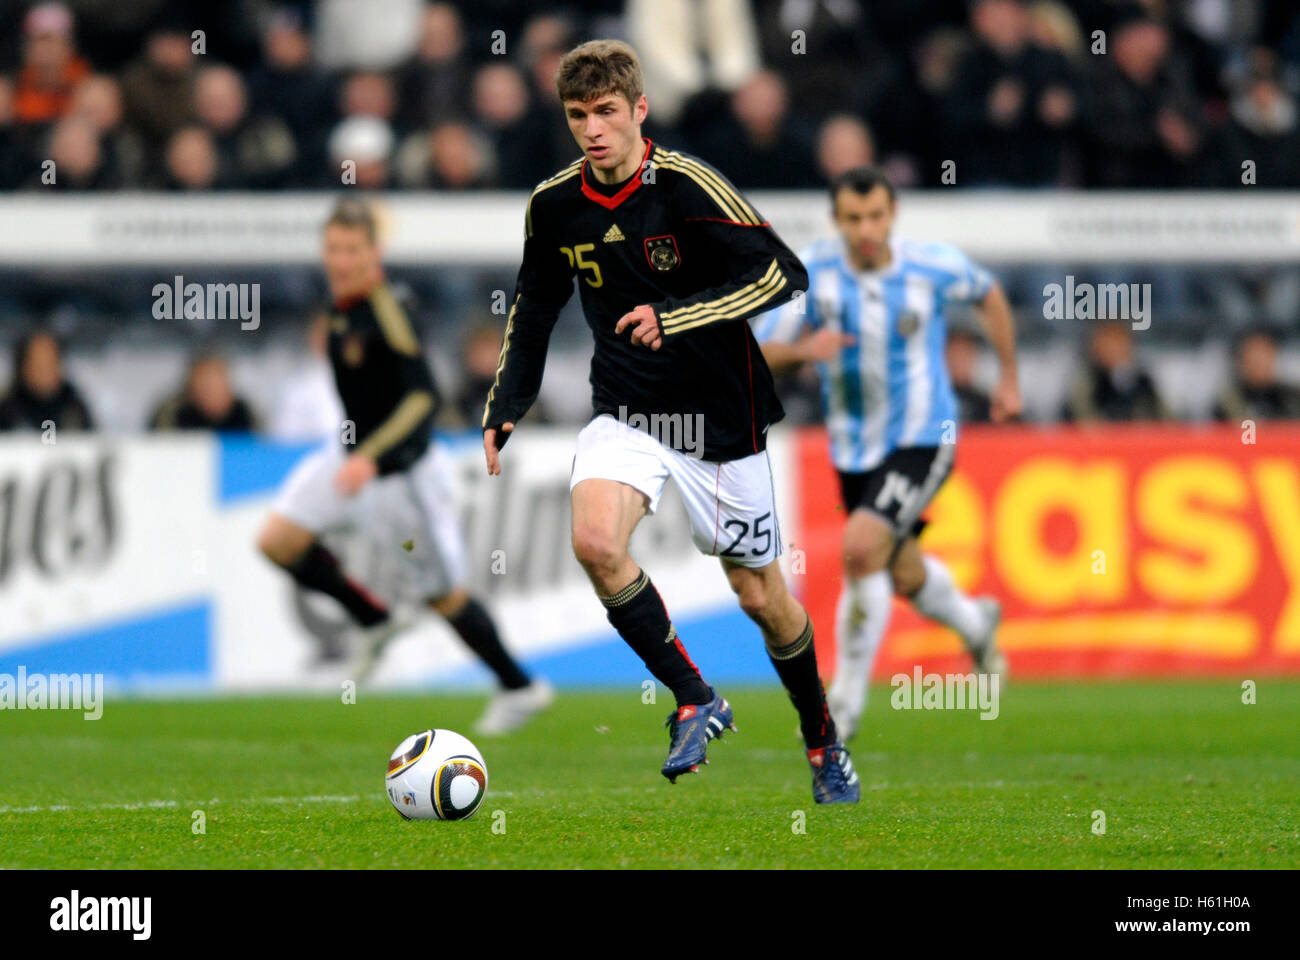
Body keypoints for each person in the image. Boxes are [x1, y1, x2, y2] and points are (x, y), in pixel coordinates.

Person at [480, 40, 857, 802]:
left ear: (639, 110)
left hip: (721, 420)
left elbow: (784, 272)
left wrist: (678, 315)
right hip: (628, 411)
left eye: (608, 113)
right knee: (593, 541)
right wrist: (507, 403)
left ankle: (821, 740)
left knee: (761, 598)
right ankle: (694, 696)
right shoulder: (554, 204)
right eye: (578, 115)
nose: (593, 130)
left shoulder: (686, 185)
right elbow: (536, 304)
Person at [258, 198, 550, 736]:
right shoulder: (340, 305)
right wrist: (359, 453)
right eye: (333, 248)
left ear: (374, 252)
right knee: (278, 540)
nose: (340, 259)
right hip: (349, 456)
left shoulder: (388, 306)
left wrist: (373, 455)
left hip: (402, 473)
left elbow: (424, 398)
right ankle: (374, 619)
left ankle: (519, 685)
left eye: (352, 249)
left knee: (443, 594)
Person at [754, 166, 1015, 740]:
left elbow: (990, 294)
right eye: (854, 219)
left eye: (876, 217)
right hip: (855, 449)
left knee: (861, 547)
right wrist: (804, 350)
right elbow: (758, 349)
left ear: (892, 215)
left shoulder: (931, 265)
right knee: (900, 569)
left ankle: (840, 705)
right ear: (837, 220)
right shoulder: (812, 271)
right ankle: (976, 623)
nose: (866, 229)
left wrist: (1007, 380)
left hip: (926, 436)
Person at [0, 329, 94, 432]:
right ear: (23, 366)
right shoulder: (7, 411)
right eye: (38, 363)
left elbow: (90, 442)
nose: (45, 370)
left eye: (50, 362)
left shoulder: (74, 408)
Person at [149, 352, 257, 431]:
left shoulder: (245, 414)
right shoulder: (172, 414)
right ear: (191, 389)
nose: (211, 392)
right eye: (204, 386)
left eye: (216, 385)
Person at [1212, 327, 1300, 422]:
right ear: (1240, 361)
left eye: (1264, 353)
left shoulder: (1293, 397)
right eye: (1252, 356)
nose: (1259, 361)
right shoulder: (1228, 403)